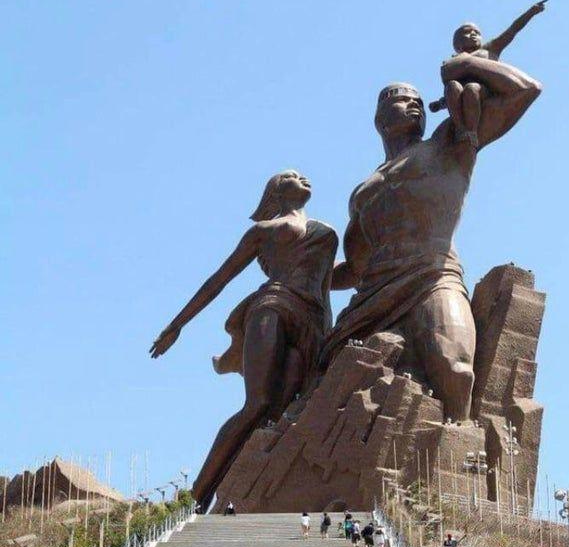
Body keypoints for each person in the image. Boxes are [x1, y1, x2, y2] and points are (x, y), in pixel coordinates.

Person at [322, 57, 542, 423]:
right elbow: (355, 267)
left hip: (433, 275)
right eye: (401, 98)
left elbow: (526, 90)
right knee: (330, 387)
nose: (414, 104)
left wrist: (463, 63)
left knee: (455, 368)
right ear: (380, 119)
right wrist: (300, 280)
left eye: (420, 102)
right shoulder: (363, 192)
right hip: (373, 295)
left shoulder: (448, 142)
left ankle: (460, 466)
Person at [150, 171, 339, 512]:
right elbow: (219, 279)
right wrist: (176, 325)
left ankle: (243, 493)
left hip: (312, 322)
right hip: (273, 308)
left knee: (283, 411)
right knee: (258, 403)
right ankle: (196, 495)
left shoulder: (325, 233)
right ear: (276, 193)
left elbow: (330, 281)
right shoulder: (263, 231)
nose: (303, 177)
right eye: (292, 176)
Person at [428, 0, 547, 147]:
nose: (473, 34)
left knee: (472, 88)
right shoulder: (453, 62)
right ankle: (461, 128)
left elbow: (512, 31)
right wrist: (440, 104)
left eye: (476, 33)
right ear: (457, 43)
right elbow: (451, 93)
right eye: (467, 32)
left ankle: (471, 131)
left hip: (484, 91)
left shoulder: (489, 49)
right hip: (460, 94)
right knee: (453, 86)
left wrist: (530, 13)